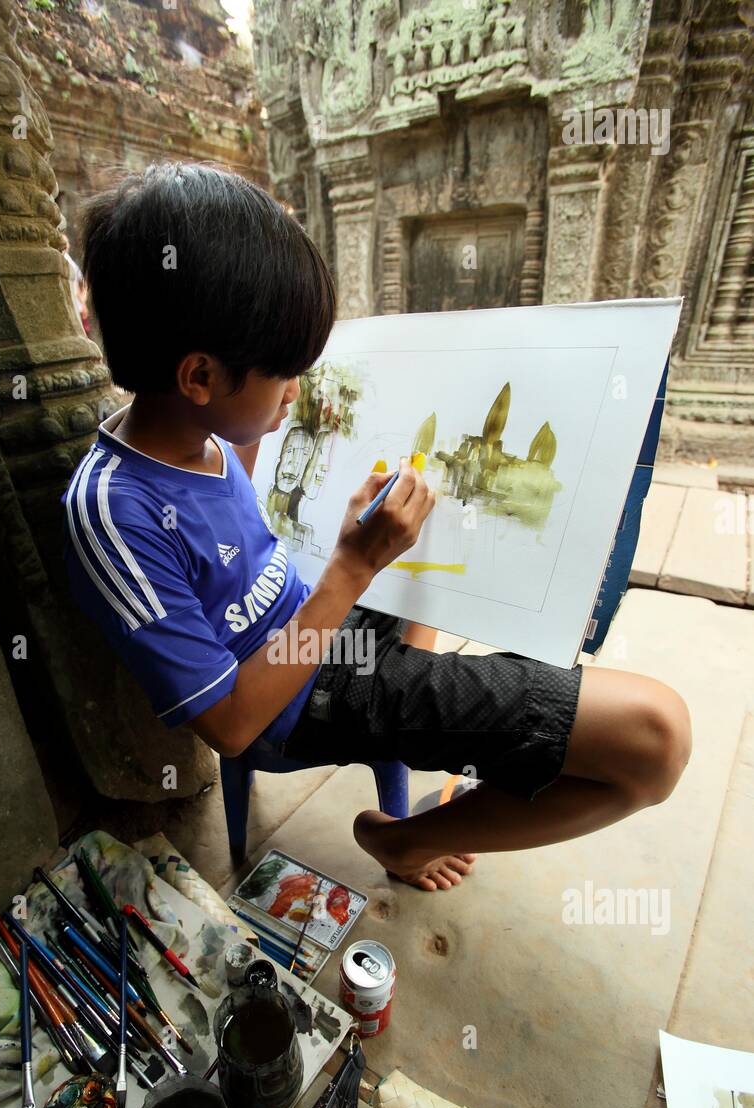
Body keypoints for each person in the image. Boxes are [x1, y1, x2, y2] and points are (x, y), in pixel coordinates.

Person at [61, 161, 691, 892]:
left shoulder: (202, 434)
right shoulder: (112, 511)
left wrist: (348, 561)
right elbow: (231, 724)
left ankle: (432, 729)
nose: (296, 391)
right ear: (199, 378)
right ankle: (407, 839)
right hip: (299, 694)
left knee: (448, 582)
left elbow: (258, 553)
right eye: (285, 373)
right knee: (655, 739)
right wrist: (353, 568)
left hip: (319, 619)